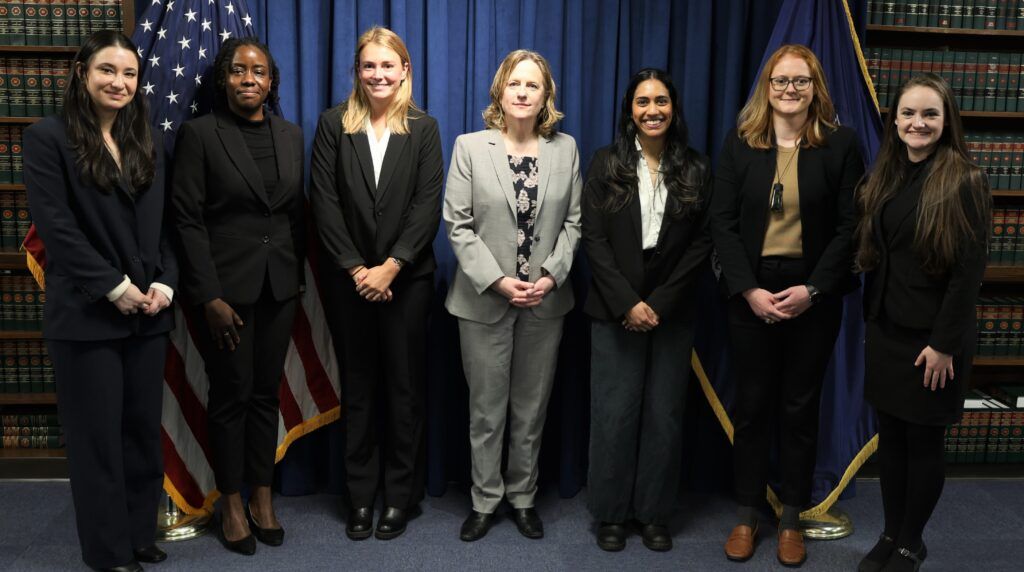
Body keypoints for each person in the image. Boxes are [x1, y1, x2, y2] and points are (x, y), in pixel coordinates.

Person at [23, 30, 176, 572]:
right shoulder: (47, 138)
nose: (119, 82)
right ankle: (109, 552)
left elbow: (166, 227)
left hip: (149, 314)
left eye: (129, 73)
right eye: (107, 70)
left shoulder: (148, 139)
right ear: (83, 73)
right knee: (97, 441)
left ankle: (138, 534)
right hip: (87, 315)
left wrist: (164, 284)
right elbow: (57, 230)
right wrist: (116, 287)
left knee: (141, 434)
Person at [710, 44, 864, 567]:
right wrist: (748, 290)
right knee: (752, 408)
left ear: (815, 87)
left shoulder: (841, 145)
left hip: (812, 296)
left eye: (801, 81)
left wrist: (813, 290)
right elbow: (722, 223)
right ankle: (746, 514)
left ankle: (792, 518)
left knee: (800, 409)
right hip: (751, 293)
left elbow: (850, 227)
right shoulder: (741, 143)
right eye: (781, 81)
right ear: (767, 87)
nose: (790, 90)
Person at [171, 37, 305, 555]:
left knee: (266, 394)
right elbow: (187, 219)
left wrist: (295, 280)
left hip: (279, 288)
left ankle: (262, 499)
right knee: (232, 394)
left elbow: (293, 214)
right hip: (225, 294)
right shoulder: (200, 134)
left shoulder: (290, 135)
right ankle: (230, 503)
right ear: (223, 78)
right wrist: (208, 295)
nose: (249, 79)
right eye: (239, 70)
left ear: (271, 82)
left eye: (259, 72)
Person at [309, 26, 443, 541]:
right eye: (369, 65)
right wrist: (356, 269)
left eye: (388, 65)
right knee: (360, 389)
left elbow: (427, 204)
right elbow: (324, 200)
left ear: (405, 70)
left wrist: (392, 267)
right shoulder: (333, 125)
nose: (379, 74)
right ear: (357, 71)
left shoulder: (424, 129)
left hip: (407, 282)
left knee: (405, 392)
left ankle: (400, 497)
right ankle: (361, 496)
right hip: (350, 282)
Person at [444, 49, 582, 542]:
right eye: (514, 84)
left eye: (533, 85)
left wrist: (551, 275)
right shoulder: (469, 147)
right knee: (486, 411)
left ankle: (523, 497)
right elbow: (457, 225)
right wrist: (499, 281)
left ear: (546, 97)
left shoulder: (565, 149)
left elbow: (574, 223)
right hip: (484, 300)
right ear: (499, 91)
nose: (522, 93)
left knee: (531, 408)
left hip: (545, 301)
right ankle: (484, 499)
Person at [854, 73, 989, 572]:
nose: (918, 123)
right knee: (891, 440)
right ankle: (891, 532)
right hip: (887, 330)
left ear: (947, 120)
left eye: (930, 113)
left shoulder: (965, 179)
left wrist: (943, 343)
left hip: (934, 341)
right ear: (894, 120)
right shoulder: (886, 175)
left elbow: (968, 273)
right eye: (908, 113)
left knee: (923, 442)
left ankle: (912, 542)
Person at [581, 68, 712, 553]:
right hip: (615, 308)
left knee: (664, 415)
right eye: (642, 102)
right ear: (630, 110)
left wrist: (657, 304)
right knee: (614, 415)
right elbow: (593, 240)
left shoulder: (696, 168)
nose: (652, 110)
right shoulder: (606, 163)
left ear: (673, 108)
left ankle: (654, 513)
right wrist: (628, 303)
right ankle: (611, 514)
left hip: (671, 310)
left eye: (661, 101)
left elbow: (702, 244)